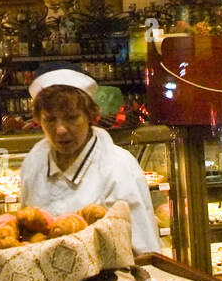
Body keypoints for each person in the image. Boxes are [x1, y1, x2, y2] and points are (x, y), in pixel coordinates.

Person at [18, 62, 161, 255]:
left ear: (90, 116)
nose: (60, 129)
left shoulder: (118, 166)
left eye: (71, 118)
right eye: (50, 119)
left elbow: (143, 249)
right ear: (38, 119)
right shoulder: (34, 161)